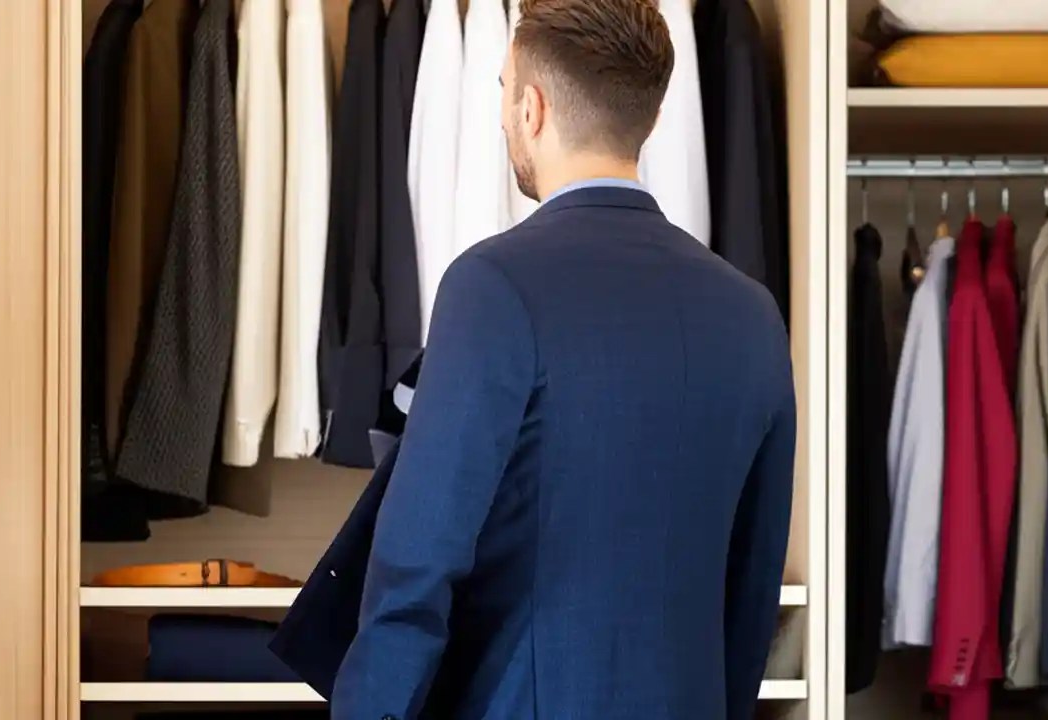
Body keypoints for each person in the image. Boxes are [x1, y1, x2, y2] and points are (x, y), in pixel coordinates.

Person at [330, 1, 796, 717]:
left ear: (532, 108)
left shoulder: (494, 287)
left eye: (502, 91)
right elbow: (752, 583)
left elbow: (416, 570)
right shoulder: (753, 315)